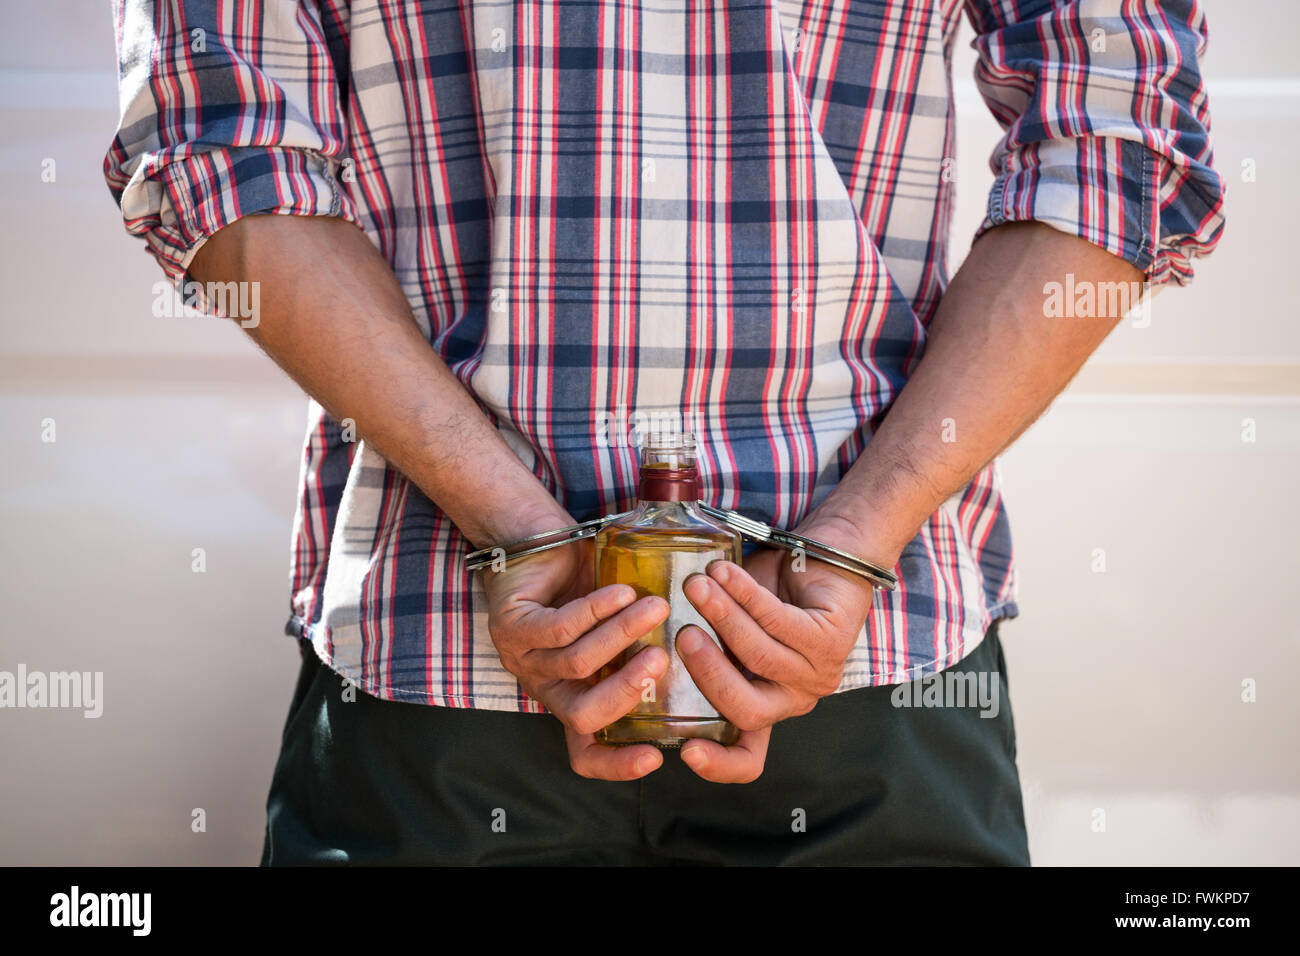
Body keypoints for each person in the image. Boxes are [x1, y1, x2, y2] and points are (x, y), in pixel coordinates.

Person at [105, 0, 1224, 865]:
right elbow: (1121, 139)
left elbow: (219, 151)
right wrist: (855, 538)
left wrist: (515, 528)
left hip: (441, 656)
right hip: (864, 659)